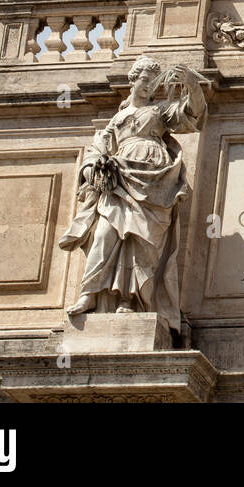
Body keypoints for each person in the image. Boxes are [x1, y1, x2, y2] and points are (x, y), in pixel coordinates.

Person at [60, 56, 206, 330]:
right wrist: (94, 167)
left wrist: (191, 84)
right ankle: (89, 295)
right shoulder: (116, 119)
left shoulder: (161, 111)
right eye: (145, 80)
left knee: (143, 242)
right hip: (119, 179)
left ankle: (130, 299)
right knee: (104, 235)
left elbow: (194, 116)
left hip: (154, 180)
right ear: (133, 80)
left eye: (154, 82)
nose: (149, 86)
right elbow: (97, 151)